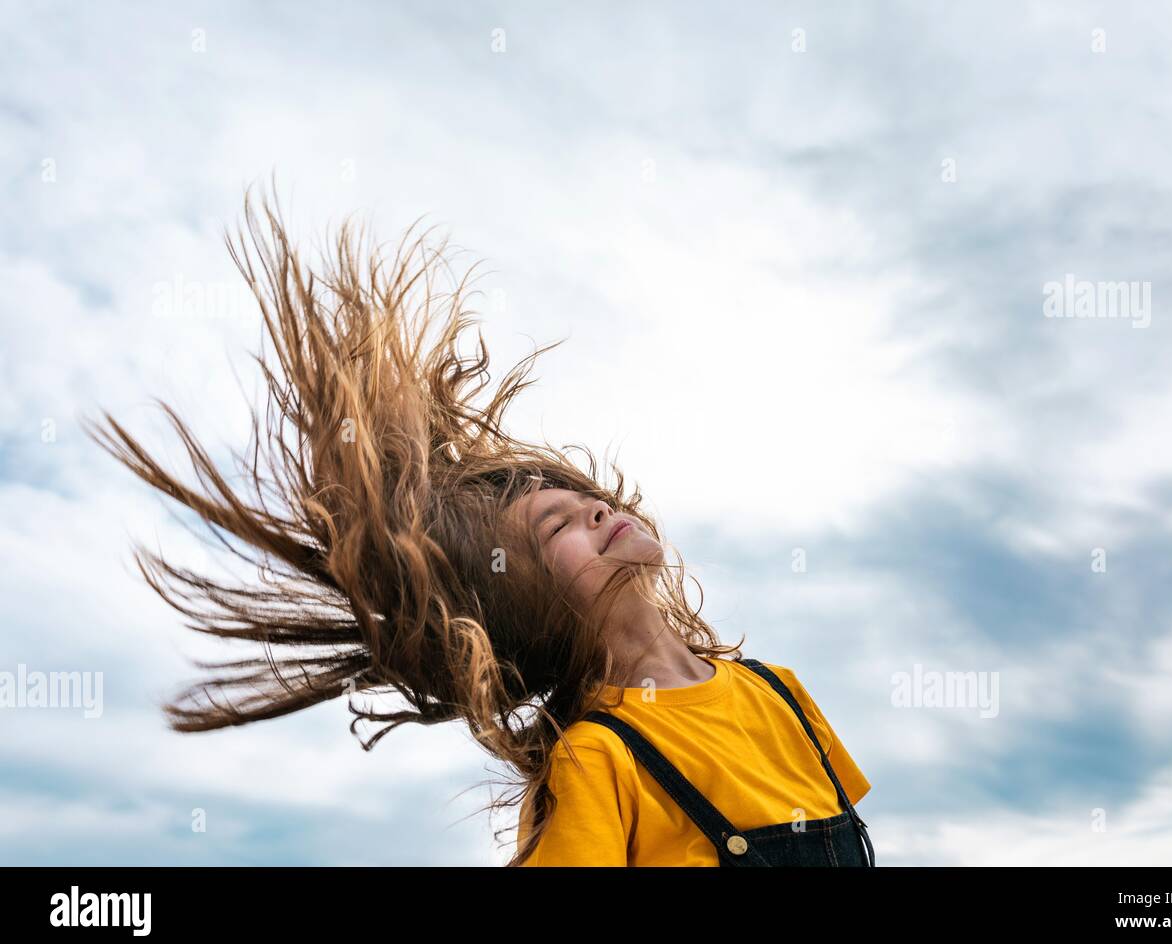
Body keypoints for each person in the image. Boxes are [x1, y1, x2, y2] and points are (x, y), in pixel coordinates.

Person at [85, 182, 876, 867]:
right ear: (524, 602)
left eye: (587, 496)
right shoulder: (597, 761)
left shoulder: (781, 692)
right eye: (557, 526)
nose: (599, 508)